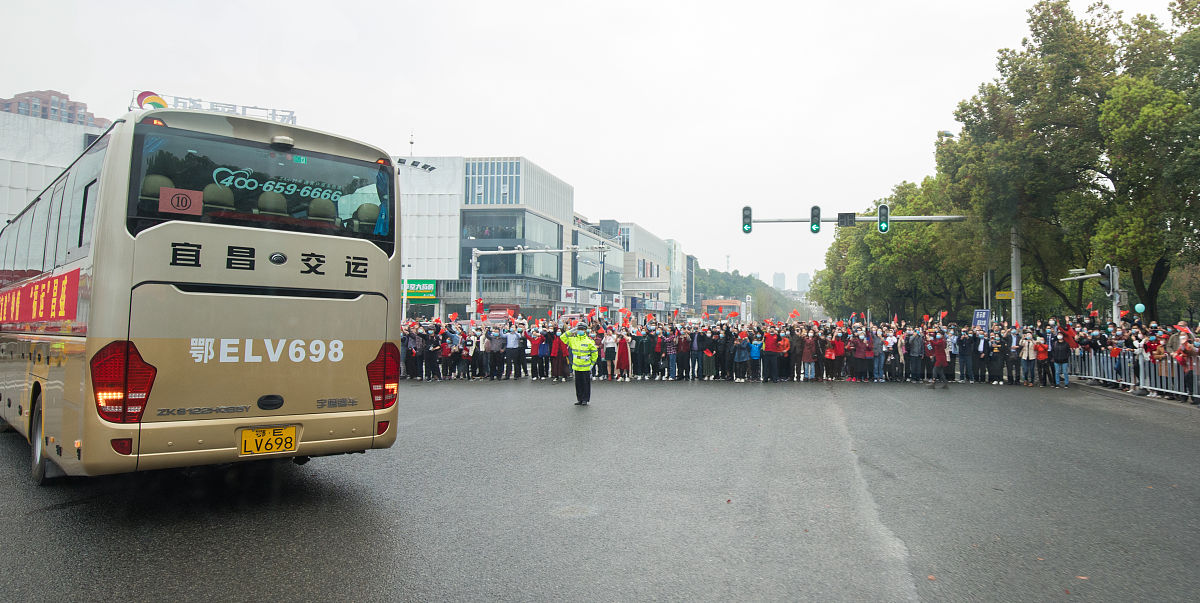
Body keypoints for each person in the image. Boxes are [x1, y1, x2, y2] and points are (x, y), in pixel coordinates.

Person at [561, 324, 599, 405]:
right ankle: (580, 399)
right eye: (579, 329)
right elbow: (562, 337)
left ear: (585, 331)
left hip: (586, 366)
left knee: (585, 384)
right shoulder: (573, 340)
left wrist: (592, 364)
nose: (580, 331)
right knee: (578, 384)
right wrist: (572, 330)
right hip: (577, 366)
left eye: (582, 329)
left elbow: (595, 354)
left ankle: (585, 399)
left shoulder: (589, 341)